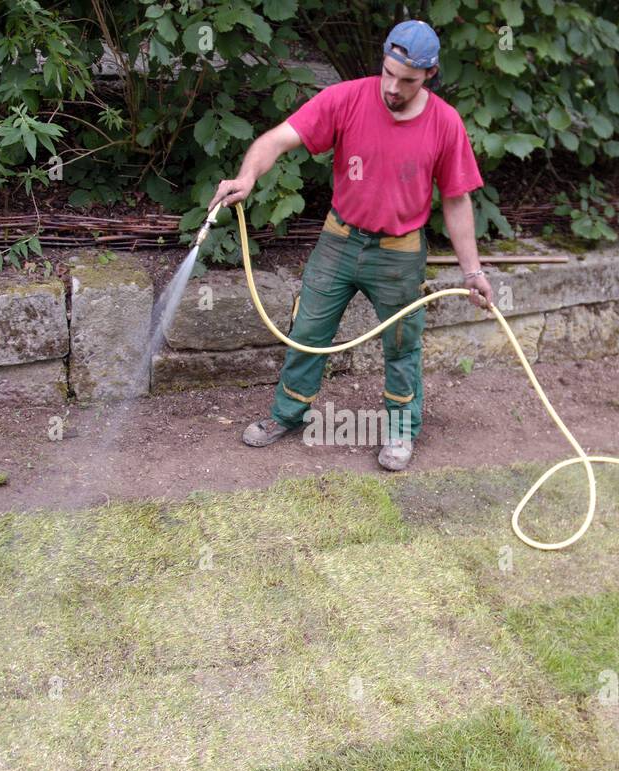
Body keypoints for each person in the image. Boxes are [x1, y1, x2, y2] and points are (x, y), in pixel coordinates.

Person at [208, 19, 493, 471]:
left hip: (399, 255)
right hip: (339, 241)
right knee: (306, 333)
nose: (394, 87)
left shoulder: (445, 124)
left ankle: (401, 432)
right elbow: (278, 139)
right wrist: (246, 177)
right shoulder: (346, 99)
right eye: (389, 73)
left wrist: (473, 272)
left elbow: (457, 203)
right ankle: (287, 415)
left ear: (430, 77)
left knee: (402, 345)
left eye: (408, 81)